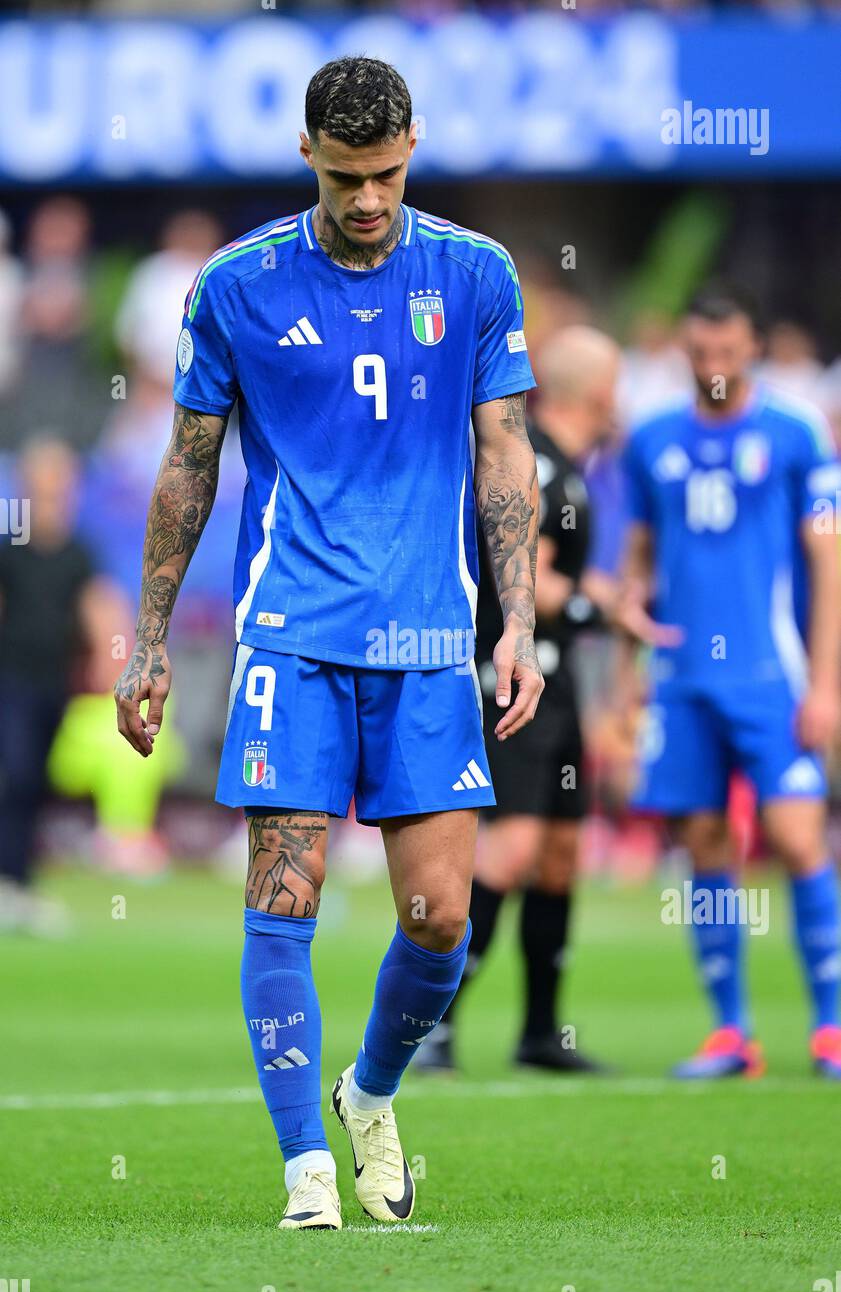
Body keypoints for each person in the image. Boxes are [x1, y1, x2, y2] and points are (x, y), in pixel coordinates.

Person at [114, 57, 543, 1231]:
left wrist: (521, 621)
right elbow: (188, 467)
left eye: (388, 174)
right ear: (308, 151)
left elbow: (505, 456)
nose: (368, 199)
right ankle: (307, 1163)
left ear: (414, 143)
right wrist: (148, 638)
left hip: (428, 643)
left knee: (438, 921)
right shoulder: (237, 284)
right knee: (282, 898)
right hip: (291, 637)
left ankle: (369, 1092)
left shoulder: (476, 273)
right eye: (348, 177)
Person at [619, 284, 841, 1081]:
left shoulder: (795, 433)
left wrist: (825, 685)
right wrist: (629, 620)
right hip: (680, 678)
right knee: (705, 843)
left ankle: (829, 1028)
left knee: (793, 837)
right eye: (699, 353)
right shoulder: (650, 439)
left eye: (726, 352)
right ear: (684, 351)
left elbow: (827, 556)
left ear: (752, 347)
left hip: (769, 674)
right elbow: (640, 549)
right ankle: (731, 1034)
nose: (712, 367)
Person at [416, 326, 621, 1073]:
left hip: (557, 678)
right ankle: (431, 1025)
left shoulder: (567, 466)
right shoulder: (531, 459)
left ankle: (540, 1032)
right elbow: (528, 574)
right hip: (512, 673)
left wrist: (603, 605)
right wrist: (604, 610)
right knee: (508, 850)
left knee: (560, 855)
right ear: (596, 391)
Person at [0, 437, 94, 932]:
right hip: (10, 679)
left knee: (34, 781)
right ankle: (7, 879)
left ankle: (20, 882)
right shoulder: (11, 551)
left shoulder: (77, 554)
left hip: (53, 682)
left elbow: (95, 612)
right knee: (13, 776)